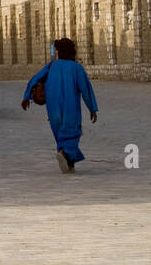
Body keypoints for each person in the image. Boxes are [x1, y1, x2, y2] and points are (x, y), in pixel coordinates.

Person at [23, 37, 98, 173]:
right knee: (72, 133)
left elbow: (35, 79)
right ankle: (64, 154)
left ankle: (69, 163)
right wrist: (92, 109)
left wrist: (26, 97)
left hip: (53, 108)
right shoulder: (77, 68)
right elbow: (86, 89)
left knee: (60, 133)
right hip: (70, 107)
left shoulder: (51, 66)